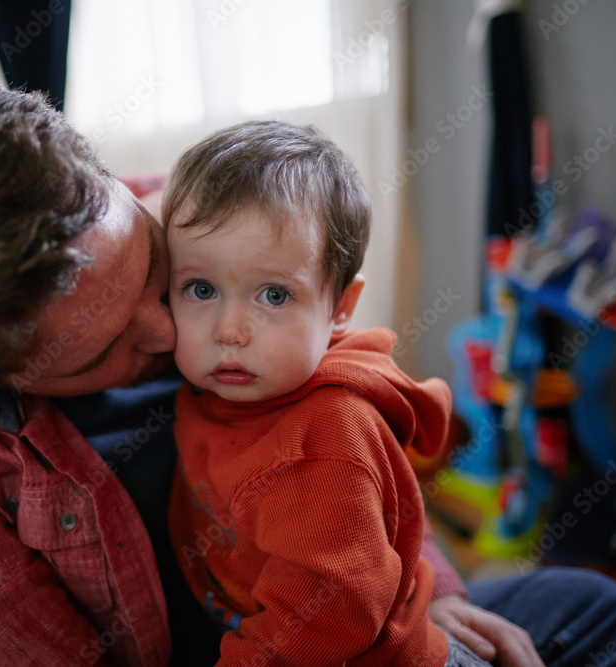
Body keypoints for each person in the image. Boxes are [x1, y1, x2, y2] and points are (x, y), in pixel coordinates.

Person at [0, 70, 616, 666]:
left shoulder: (203, 219)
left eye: (161, 277)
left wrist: (421, 588)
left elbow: (345, 429)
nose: (182, 330)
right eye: (105, 351)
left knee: (605, 614)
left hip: (335, 621)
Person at [161, 121, 486, 665]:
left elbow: (325, 614)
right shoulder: (221, 381)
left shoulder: (327, 438)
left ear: (340, 309)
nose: (229, 330)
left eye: (273, 294)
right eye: (201, 289)